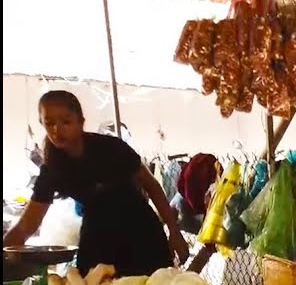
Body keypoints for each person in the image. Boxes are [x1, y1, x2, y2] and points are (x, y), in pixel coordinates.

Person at [3, 91, 188, 274]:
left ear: (80, 121)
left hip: (140, 231)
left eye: (65, 122)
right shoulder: (52, 169)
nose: (57, 130)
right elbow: (28, 224)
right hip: (98, 238)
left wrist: (174, 230)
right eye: (49, 123)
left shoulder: (112, 148)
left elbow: (152, 186)